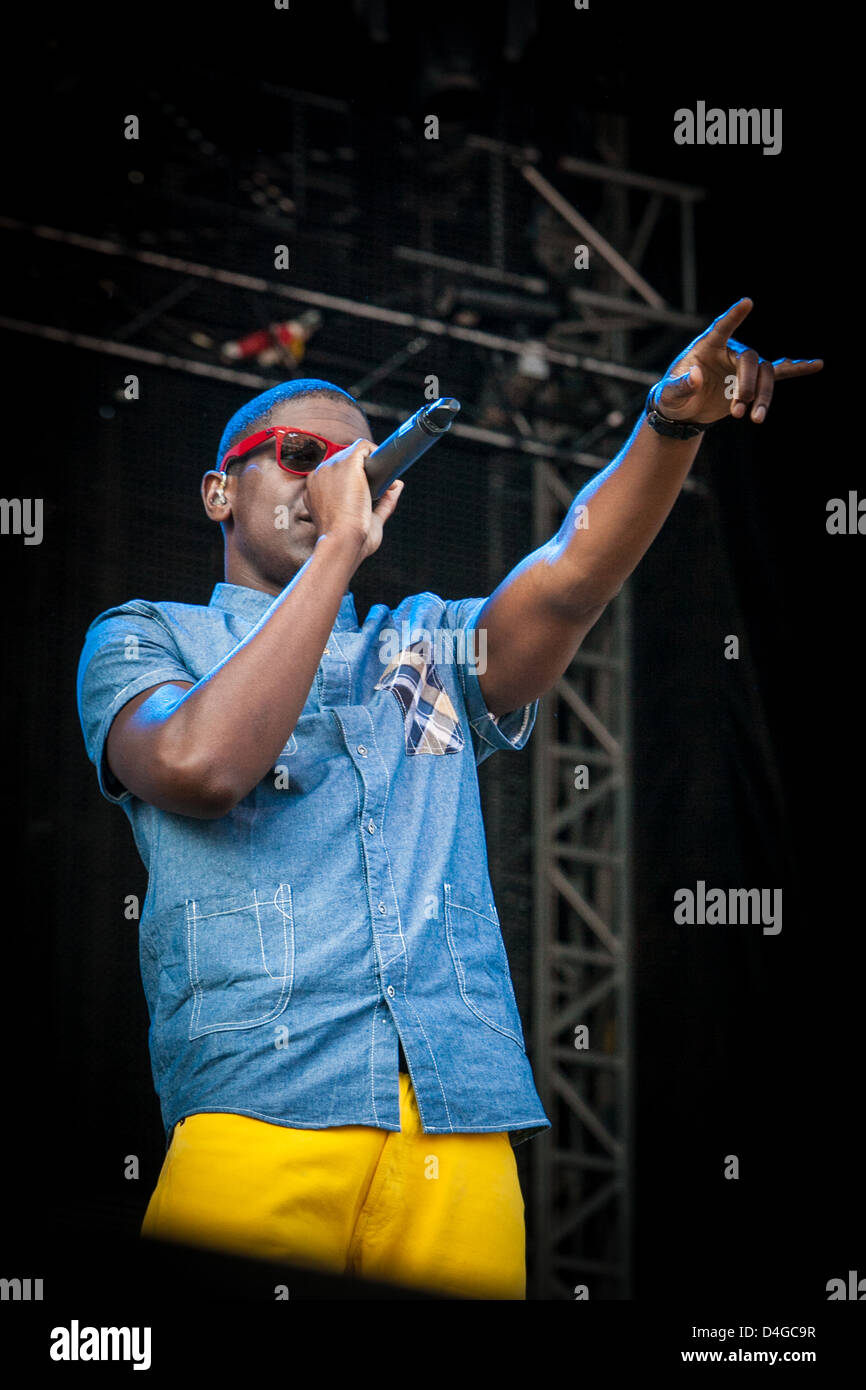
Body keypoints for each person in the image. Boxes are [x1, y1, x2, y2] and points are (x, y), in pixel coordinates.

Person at [76, 300, 821, 1299]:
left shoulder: (421, 650)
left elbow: (564, 577)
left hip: (457, 1124)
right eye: (300, 455)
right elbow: (202, 766)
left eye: (364, 465)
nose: (337, 479)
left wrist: (668, 426)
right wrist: (338, 548)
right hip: (259, 1110)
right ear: (219, 492)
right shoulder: (145, 636)